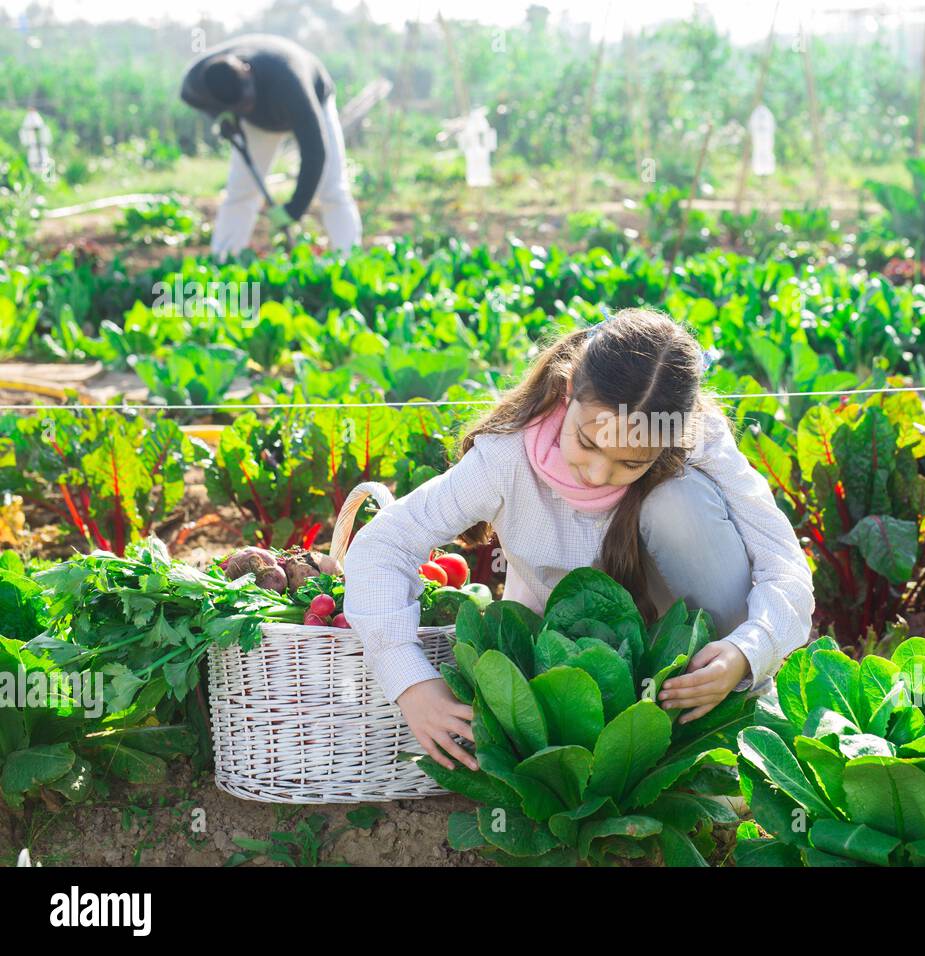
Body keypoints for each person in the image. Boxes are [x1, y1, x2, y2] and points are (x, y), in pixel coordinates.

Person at [343, 309, 816, 771]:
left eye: (631, 464)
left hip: (688, 669)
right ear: (568, 391)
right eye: (588, 444)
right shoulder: (506, 458)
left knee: (679, 503)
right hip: (573, 669)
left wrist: (747, 651)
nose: (597, 474)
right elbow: (384, 544)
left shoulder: (695, 437)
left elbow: (784, 564)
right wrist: (410, 681)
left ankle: (734, 717)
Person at [180, 34, 361, 259]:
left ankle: (349, 259)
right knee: (241, 191)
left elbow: (315, 150)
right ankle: (223, 259)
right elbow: (189, 97)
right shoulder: (199, 79)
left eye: (246, 102)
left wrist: (295, 208)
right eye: (239, 107)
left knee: (332, 188)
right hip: (260, 124)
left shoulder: (290, 82)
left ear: (247, 71)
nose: (246, 108)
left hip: (313, 102)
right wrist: (222, 117)